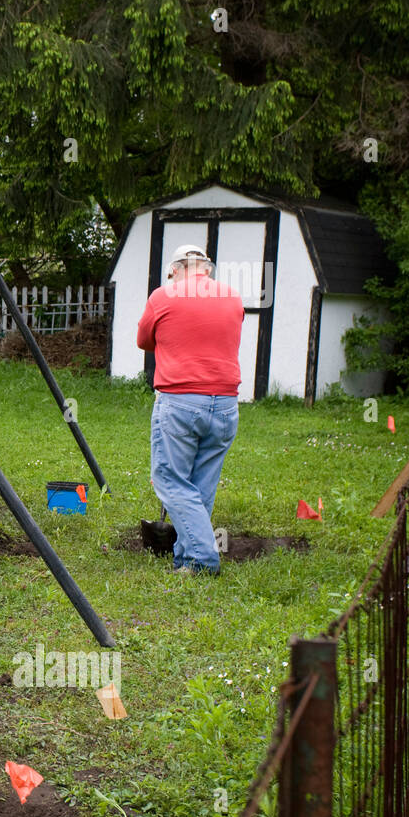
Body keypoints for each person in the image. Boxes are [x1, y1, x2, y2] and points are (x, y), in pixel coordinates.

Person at [136, 244, 243, 575]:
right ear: (206, 269)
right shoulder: (232, 297)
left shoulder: (163, 295)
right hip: (225, 405)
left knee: (170, 480)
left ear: (176, 268)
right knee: (199, 488)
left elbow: (144, 340)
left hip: (181, 402)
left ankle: (202, 559)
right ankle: (185, 556)